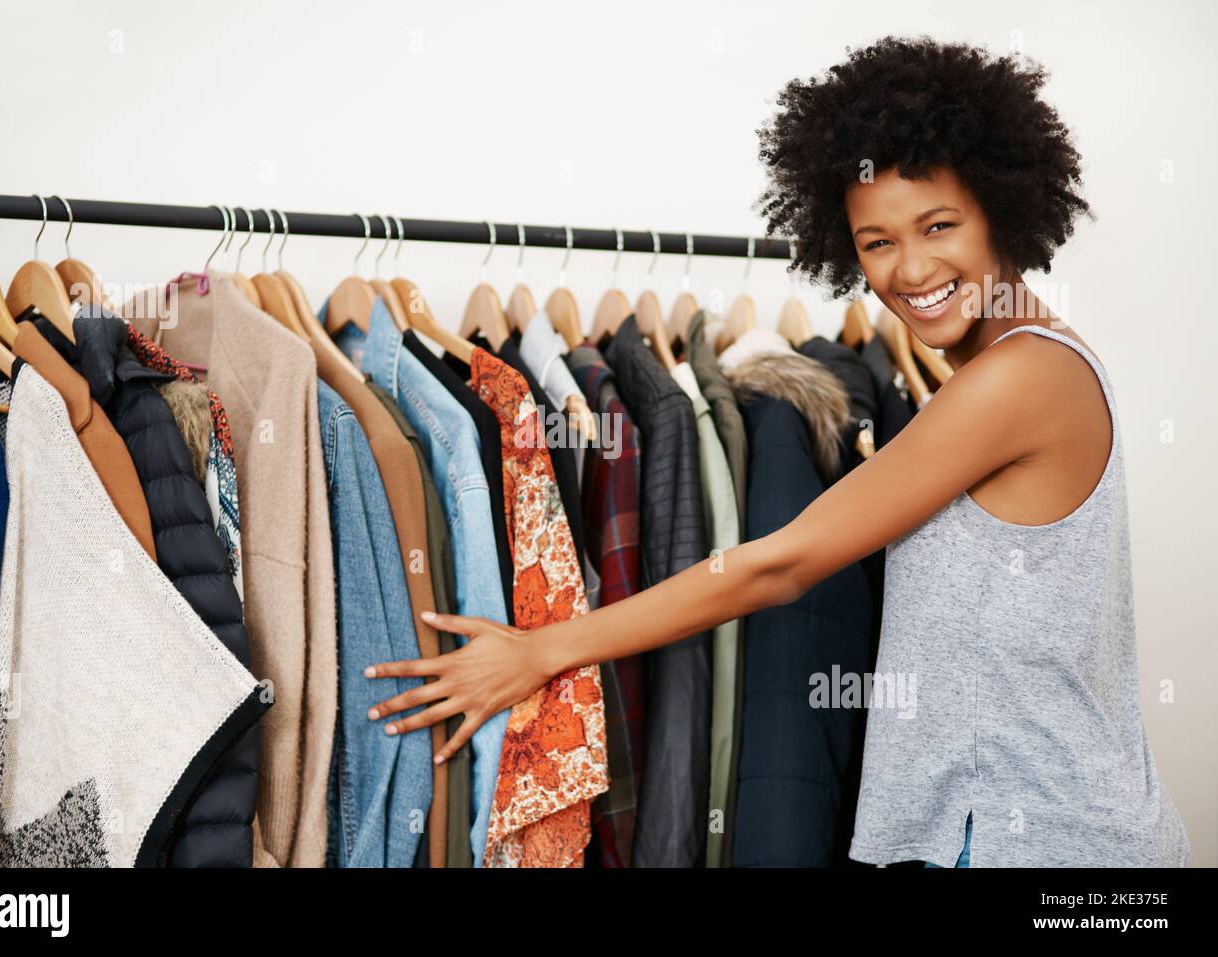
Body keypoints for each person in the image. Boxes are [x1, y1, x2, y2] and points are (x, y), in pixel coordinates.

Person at [363, 35, 1190, 867]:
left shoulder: (1019, 380)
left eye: (940, 224)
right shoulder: (1033, 363)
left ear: (1002, 210)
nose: (911, 267)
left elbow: (779, 564)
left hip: (1041, 844)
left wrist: (543, 648)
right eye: (876, 242)